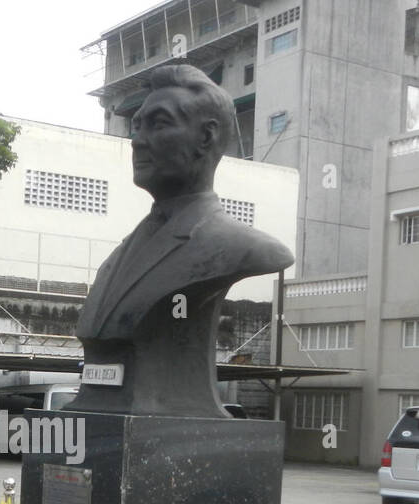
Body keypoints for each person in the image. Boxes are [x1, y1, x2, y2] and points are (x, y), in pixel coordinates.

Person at [65, 63, 294, 418]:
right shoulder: (119, 255)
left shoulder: (239, 248)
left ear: (205, 137)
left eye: (158, 124)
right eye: (137, 126)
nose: (138, 140)